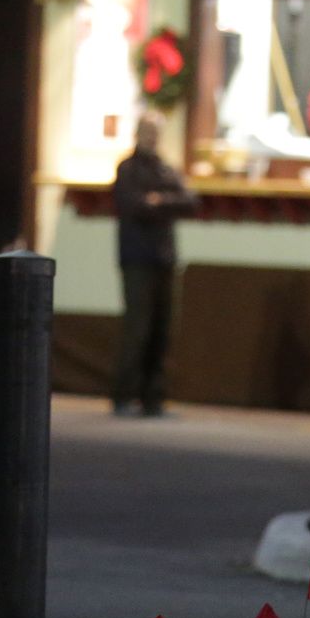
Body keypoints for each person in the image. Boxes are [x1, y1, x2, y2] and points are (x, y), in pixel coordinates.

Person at [112, 110, 196, 417]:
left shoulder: (165, 169)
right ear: (137, 134)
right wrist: (161, 202)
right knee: (138, 328)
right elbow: (133, 205)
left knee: (163, 329)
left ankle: (153, 397)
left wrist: (158, 201)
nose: (152, 138)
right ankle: (123, 394)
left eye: (156, 133)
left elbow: (190, 201)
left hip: (164, 258)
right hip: (136, 258)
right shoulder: (127, 169)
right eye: (147, 132)